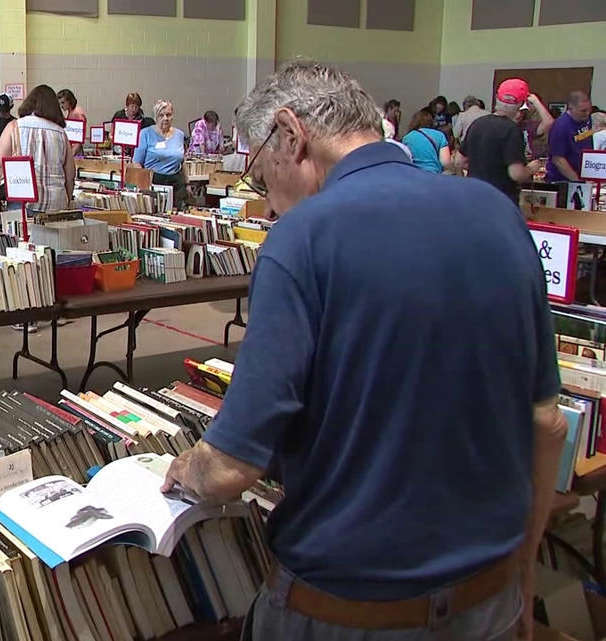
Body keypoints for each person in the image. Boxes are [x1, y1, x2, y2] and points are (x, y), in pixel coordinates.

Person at [162, 59, 564, 641]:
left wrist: (185, 468)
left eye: (261, 177)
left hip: (348, 612)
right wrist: (523, 577)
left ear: (291, 135)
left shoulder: (302, 238)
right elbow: (546, 423)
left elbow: (230, 468)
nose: (267, 204)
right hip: (489, 601)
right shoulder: (496, 212)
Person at [0, 85, 76, 334]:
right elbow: (70, 172)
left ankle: (26, 316)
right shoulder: (61, 133)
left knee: (22, 256)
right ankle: (54, 312)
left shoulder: (14, 127)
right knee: (50, 256)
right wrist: (68, 198)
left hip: (22, 202)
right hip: (54, 203)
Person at [460, 79, 546, 203]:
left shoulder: (477, 124)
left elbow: (459, 161)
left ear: (497, 98)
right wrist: (531, 169)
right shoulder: (512, 130)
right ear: (521, 105)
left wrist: (481, 168)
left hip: (474, 195)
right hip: (501, 199)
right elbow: (516, 174)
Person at [133, 100, 189, 209]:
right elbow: (136, 162)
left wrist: (187, 184)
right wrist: (144, 184)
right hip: (154, 181)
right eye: (161, 115)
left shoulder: (179, 134)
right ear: (156, 117)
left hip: (177, 183)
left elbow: (182, 161)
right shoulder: (145, 133)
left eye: (168, 115)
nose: (165, 118)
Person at [546, 90, 594, 182]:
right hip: (562, 179)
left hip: (583, 174)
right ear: (571, 108)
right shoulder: (561, 126)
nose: (587, 113)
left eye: (589, 109)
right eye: (583, 111)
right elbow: (558, 159)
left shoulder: (586, 119)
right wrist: (577, 180)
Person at [401, 109, 451, 173]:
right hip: (433, 173)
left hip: (414, 174)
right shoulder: (440, 135)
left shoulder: (407, 138)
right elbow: (445, 163)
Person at [57, 89, 86, 156]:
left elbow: (79, 137)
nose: (61, 106)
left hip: (75, 150)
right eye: (60, 103)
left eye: (63, 103)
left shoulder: (77, 113)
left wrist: (72, 153)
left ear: (69, 101)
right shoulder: (71, 112)